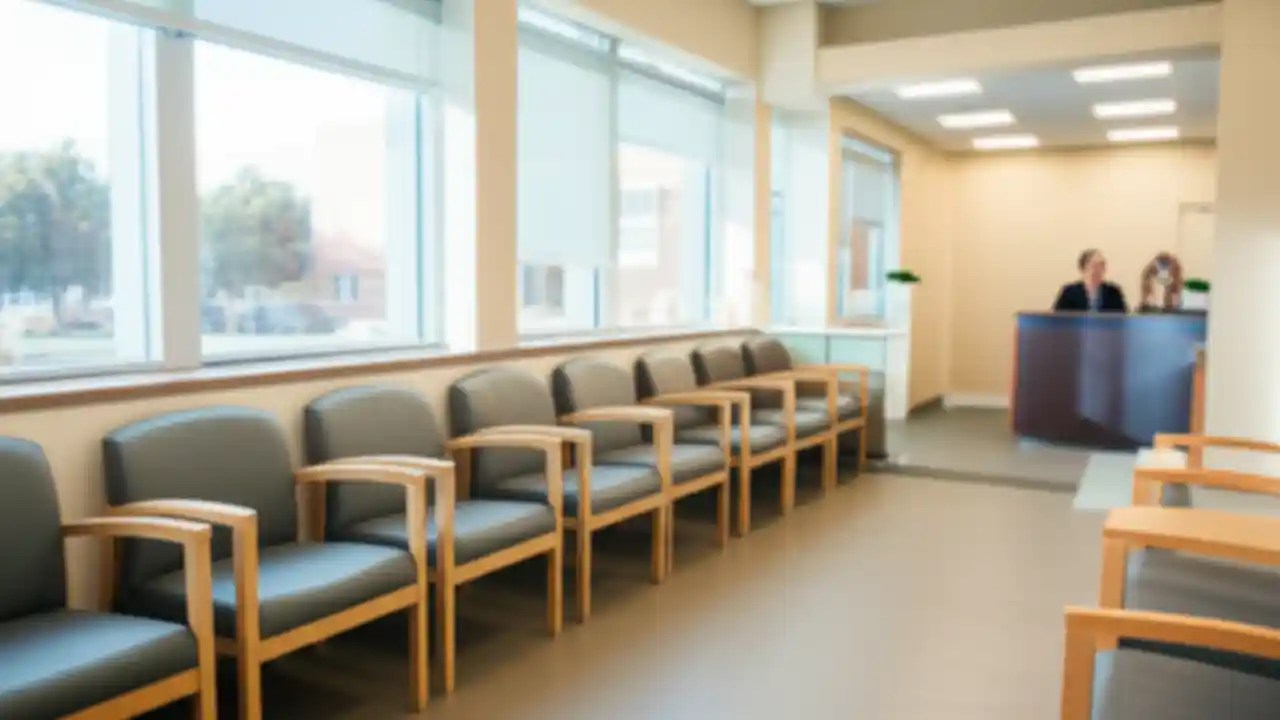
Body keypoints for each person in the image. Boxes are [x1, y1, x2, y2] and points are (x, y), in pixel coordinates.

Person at [1053, 249, 1128, 313]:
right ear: (1084, 268)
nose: (1099, 269)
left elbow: (1123, 319)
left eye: (1102, 265)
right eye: (1095, 265)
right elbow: (1058, 320)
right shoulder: (1069, 293)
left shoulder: (1114, 292)